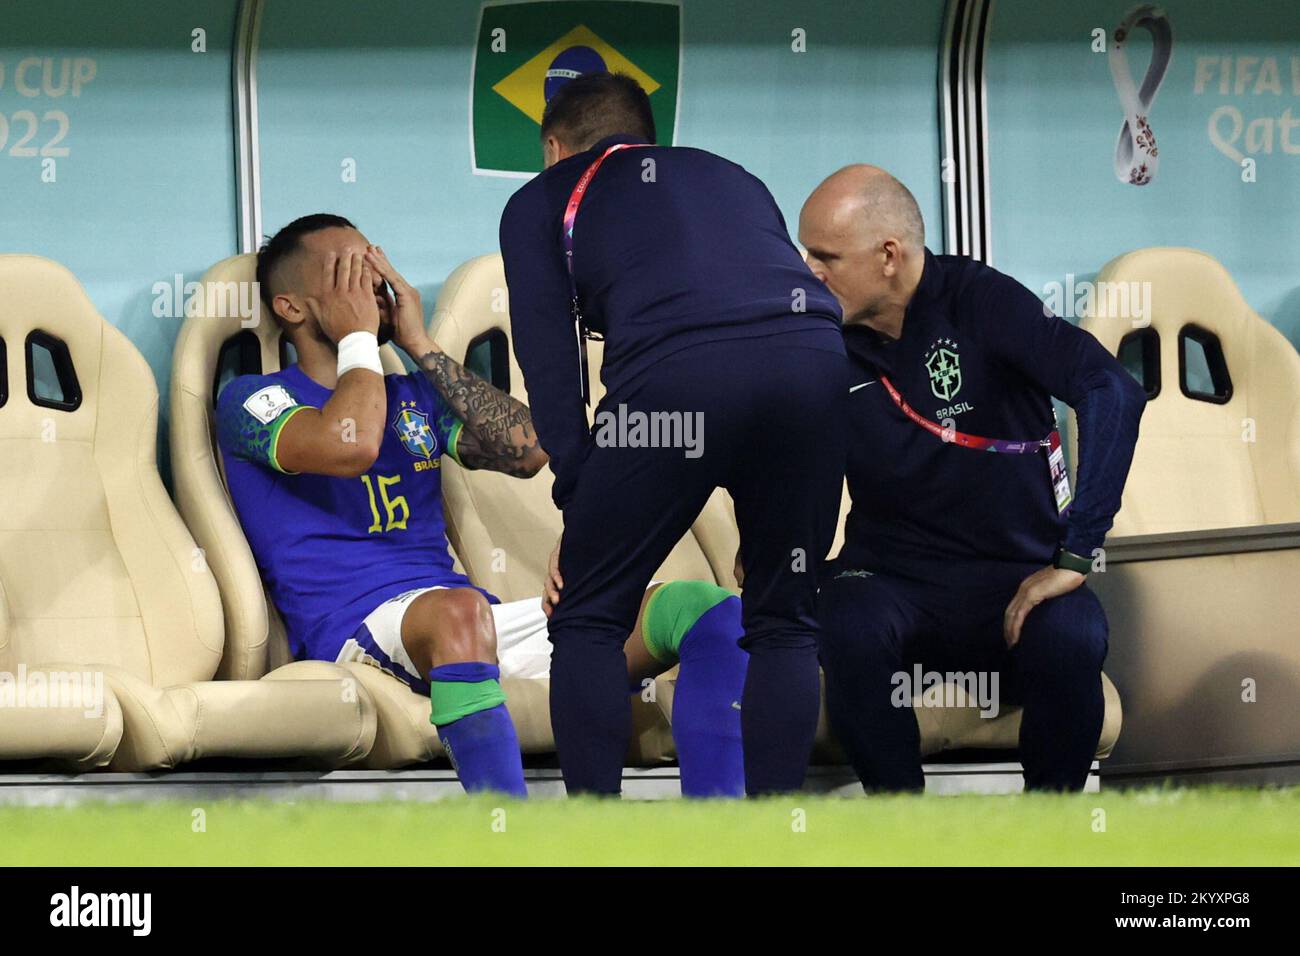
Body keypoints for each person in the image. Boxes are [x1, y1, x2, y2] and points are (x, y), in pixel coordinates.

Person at [215, 213, 750, 797]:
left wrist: (420, 346)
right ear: (291, 308)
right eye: (344, 271)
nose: (368, 283)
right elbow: (353, 444)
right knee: (459, 612)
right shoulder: (254, 399)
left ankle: (720, 837)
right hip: (357, 631)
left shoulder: (412, 394)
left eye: (371, 263)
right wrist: (360, 342)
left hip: (466, 625)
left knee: (703, 609)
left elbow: (528, 450)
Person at [499, 72, 848, 796]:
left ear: (555, 147)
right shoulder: (733, 177)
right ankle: (775, 839)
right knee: (785, 619)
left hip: (676, 380)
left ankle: (595, 845)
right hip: (813, 363)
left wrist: (581, 501)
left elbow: (552, 369)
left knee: (590, 615)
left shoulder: (544, 196)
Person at [798, 165, 1146, 792]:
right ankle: (904, 834)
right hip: (891, 579)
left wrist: (1077, 550)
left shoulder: (981, 301)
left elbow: (1111, 389)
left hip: (1016, 581)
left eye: (826, 256)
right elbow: (772, 442)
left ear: (888, 255)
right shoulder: (817, 337)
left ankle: (1050, 838)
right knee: (848, 621)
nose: (809, 271)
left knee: (1073, 634)